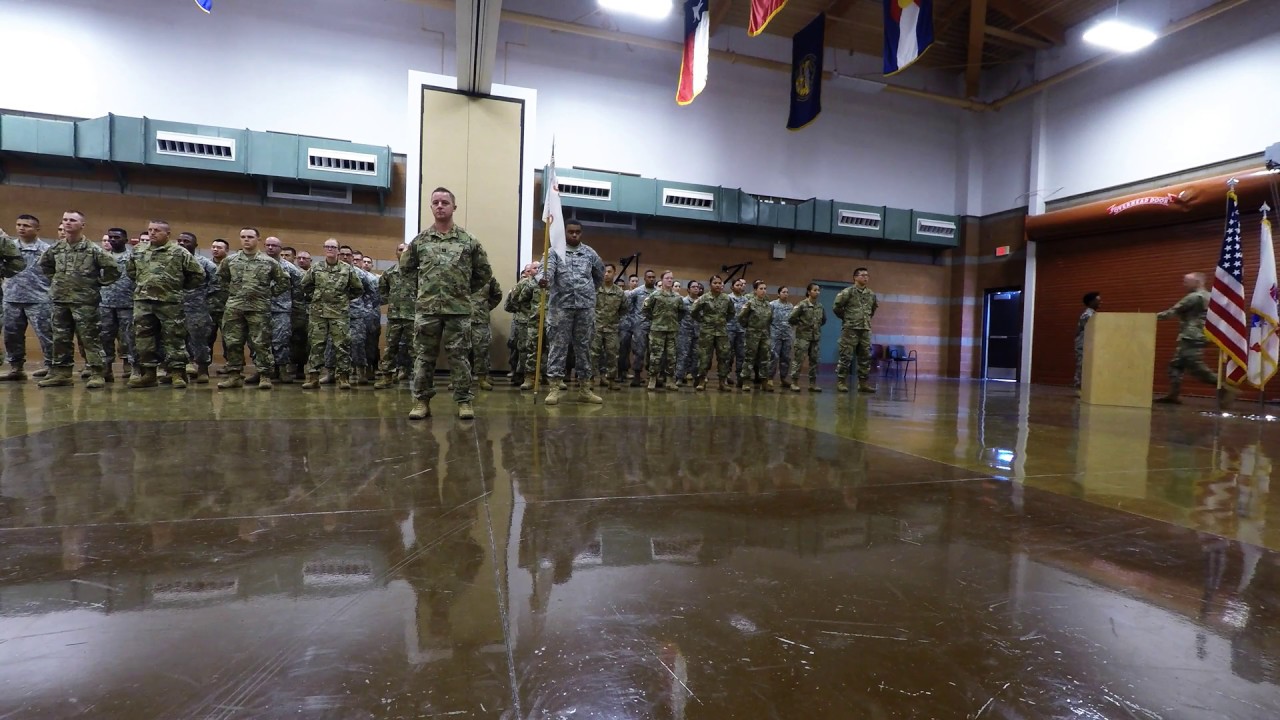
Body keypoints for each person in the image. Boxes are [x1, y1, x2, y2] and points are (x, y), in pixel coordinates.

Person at [398, 187, 493, 420]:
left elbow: (484, 272)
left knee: (460, 357)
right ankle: (421, 401)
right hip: (427, 310)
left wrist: (462, 291)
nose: (440, 206)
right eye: (436, 202)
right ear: (431, 207)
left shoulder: (468, 241)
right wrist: (423, 291)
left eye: (445, 202)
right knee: (423, 357)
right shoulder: (420, 241)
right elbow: (406, 270)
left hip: (458, 310)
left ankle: (464, 401)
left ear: (454, 207)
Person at [36, 211, 120, 388]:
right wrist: (57, 280)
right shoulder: (57, 248)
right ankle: (63, 373)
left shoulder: (93, 249)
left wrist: (97, 283)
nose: (68, 223)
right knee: (60, 338)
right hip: (60, 300)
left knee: (90, 338)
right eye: (65, 220)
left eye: (72, 220)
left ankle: (97, 372)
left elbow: (113, 269)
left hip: (85, 302)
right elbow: (45, 264)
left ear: (82, 225)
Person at [126, 220, 205, 388]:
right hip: (143, 302)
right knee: (143, 339)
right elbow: (131, 272)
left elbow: (198, 274)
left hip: (170, 302)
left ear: (167, 234)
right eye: (150, 230)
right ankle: (148, 374)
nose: (152, 233)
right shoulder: (138, 250)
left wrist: (177, 287)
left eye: (157, 230)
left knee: (174, 338)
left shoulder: (179, 252)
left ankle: (177, 374)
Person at [540, 219, 605, 405]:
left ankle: (585, 389)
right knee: (558, 347)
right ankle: (554, 388)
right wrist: (543, 280)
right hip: (561, 307)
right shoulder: (554, 252)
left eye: (577, 232)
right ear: (565, 233)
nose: (574, 234)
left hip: (585, 308)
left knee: (584, 347)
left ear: (581, 233)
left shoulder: (589, 253)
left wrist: (587, 291)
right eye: (571, 232)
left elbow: (599, 275)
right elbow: (545, 272)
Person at [214, 227, 286, 389]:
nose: (246, 239)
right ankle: (234, 375)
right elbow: (221, 279)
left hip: (259, 308)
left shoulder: (269, 261)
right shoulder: (230, 261)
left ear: (258, 239)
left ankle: (265, 375)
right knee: (232, 342)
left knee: (261, 343)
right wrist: (234, 293)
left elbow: (283, 282)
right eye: (243, 236)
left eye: (250, 237)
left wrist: (267, 294)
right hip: (235, 307)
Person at [1155, 272, 1235, 405]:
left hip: (1191, 335)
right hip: (1201, 334)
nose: (1184, 284)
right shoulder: (1210, 296)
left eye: (1187, 281)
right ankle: (1173, 395)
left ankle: (1224, 388)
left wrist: (1149, 318)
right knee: (1176, 365)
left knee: (1195, 365)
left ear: (1197, 282)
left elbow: (1171, 312)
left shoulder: (1194, 297)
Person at [300, 239, 364, 390]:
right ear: (324, 249)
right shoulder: (316, 267)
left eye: (333, 247)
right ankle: (313, 378)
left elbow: (358, 289)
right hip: (318, 313)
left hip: (339, 313)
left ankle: (343, 378)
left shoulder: (347, 269)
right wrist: (317, 297)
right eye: (327, 246)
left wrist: (343, 299)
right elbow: (305, 285)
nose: (330, 249)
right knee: (316, 345)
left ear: (338, 251)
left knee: (342, 345)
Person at [1, 214, 54, 380]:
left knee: (46, 335)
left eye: (26, 225)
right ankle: (16, 368)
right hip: (12, 297)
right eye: (18, 225)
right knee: (11, 335)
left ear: (37, 229)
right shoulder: (8, 248)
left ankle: (52, 367)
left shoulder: (47, 250)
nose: (21, 228)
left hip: (39, 298)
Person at [261, 236, 304, 384]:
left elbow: (298, 291)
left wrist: (296, 312)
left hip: (282, 310)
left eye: (274, 245)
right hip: (260, 309)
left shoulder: (290, 268)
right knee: (260, 342)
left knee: (281, 341)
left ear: (280, 248)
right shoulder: (257, 264)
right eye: (268, 245)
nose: (270, 248)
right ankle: (263, 371)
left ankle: (282, 369)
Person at [177, 232, 219, 384]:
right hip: (174, 307)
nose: (182, 243)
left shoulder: (205, 264)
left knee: (200, 340)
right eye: (180, 241)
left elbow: (217, 283)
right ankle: (177, 371)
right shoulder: (171, 262)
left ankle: (202, 369)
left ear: (195, 245)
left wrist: (204, 298)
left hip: (198, 308)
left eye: (186, 241)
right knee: (175, 340)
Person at [375, 243, 416, 389]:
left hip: (413, 317)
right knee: (390, 348)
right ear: (396, 253)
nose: (403, 252)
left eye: (406, 250)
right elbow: (382, 292)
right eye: (400, 250)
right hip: (395, 316)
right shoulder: (389, 273)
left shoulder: (418, 272)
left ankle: (420, 379)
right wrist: (393, 302)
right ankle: (387, 377)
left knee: (416, 349)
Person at [98, 228, 136, 382]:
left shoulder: (133, 257)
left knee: (130, 338)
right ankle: (106, 368)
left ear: (125, 240)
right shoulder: (102, 257)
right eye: (111, 237)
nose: (113, 240)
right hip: (105, 304)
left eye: (117, 237)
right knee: (105, 337)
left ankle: (133, 368)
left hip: (128, 304)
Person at [833, 267, 878, 393]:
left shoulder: (871, 294)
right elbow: (836, 307)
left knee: (865, 357)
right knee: (846, 356)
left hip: (865, 329)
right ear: (855, 277)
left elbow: (872, 310)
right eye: (863, 275)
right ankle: (841, 382)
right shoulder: (847, 292)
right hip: (850, 329)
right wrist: (847, 318)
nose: (865, 277)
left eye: (867, 275)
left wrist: (865, 320)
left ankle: (863, 383)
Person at [641, 270, 685, 391]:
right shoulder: (655, 295)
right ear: (662, 280)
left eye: (671, 278)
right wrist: (655, 319)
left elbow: (682, 312)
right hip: (657, 330)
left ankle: (670, 380)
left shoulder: (677, 297)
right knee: (656, 356)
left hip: (672, 330)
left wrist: (674, 321)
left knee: (671, 356)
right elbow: (645, 309)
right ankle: (652, 378)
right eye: (667, 278)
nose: (670, 280)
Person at [691, 274, 733, 392]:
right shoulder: (704, 298)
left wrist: (722, 321)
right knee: (704, 357)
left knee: (723, 357)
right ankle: (701, 381)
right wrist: (702, 320)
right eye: (715, 283)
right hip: (707, 331)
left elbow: (731, 313)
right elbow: (694, 311)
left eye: (719, 283)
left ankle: (722, 382)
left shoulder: (726, 298)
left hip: (722, 332)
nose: (717, 285)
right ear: (710, 285)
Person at [504, 262, 542, 391]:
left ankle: (540, 375)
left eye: (539, 268)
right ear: (528, 271)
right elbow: (513, 300)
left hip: (540, 321)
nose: (537, 270)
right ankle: (521, 374)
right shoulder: (523, 284)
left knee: (541, 349)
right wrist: (523, 311)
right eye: (534, 268)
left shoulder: (544, 284)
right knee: (524, 349)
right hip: (525, 321)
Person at [592, 263, 626, 391]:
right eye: (604, 271)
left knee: (612, 355)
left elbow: (624, 309)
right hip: (596, 327)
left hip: (612, 328)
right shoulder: (595, 289)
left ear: (614, 273)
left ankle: (611, 380)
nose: (606, 274)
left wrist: (613, 320)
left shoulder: (619, 292)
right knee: (593, 355)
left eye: (609, 271)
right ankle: (590, 380)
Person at [788, 283, 826, 392]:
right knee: (798, 360)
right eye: (815, 290)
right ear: (809, 292)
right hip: (803, 338)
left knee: (814, 361)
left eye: (818, 290)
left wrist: (815, 327)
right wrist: (802, 325)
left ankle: (812, 384)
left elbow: (823, 320)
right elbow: (791, 318)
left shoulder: (820, 306)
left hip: (815, 338)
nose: (817, 292)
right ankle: (794, 382)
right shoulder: (802, 305)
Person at [737, 280, 773, 392]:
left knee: (765, 358)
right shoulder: (750, 303)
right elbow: (741, 317)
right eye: (761, 289)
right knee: (749, 358)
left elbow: (770, 319)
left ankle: (764, 382)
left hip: (764, 334)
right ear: (755, 290)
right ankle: (745, 381)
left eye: (765, 289)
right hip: (752, 334)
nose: (763, 291)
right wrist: (748, 326)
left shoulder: (768, 304)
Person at [468, 275, 503, 391]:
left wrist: (485, 307)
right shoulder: (459, 273)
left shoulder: (488, 277)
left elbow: (497, 294)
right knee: (459, 350)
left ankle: (482, 379)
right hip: (460, 318)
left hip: (480, 320)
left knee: (481, 350)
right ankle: (459, 380)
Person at [280, 245, 309, 379]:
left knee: (299, 340)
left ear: (294, 257)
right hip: (280, 310)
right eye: (282, 255)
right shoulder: (276, 270)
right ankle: (280, 368)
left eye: (287, 255)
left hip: (298, 311)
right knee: (281, 339)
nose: (284, 258)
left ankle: (299, 368)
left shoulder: (301, 274)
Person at [625, 269, 658, 386]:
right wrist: (633, 321)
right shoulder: (637, 291)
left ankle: (653, 376)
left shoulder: (658, 292)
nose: (651, 279)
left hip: (654, 326)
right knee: (639, 351)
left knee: (654, 352)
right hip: (640, 326)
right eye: (649, 277)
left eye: (653, 277)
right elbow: (628, 307)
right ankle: (637, 376)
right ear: (644, 279)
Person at [675, 280, 703, 386]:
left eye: (698, 287)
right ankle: (679, 377)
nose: (696, 288)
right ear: (688, 289)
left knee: (696, 356)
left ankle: (695, 377)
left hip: (698, 332)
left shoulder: (702, 302)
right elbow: (678, 316)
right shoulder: (683, 301)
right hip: (684, 332)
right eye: (693, 287)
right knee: (683, 355)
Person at [208, 238, 231, 371]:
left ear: (226, 250)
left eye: (219, 247)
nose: (215, 249)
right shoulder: (206, 265)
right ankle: (203, 366)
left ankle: (231, 365)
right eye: (213, 247)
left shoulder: (232, 265)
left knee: (229, 340)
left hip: (227, 308)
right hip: (209, 308)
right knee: (207, 338)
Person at [768, 285, 794, 391]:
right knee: (773, 356)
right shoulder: (772, 305)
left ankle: (783, 378)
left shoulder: (790, 306)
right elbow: (768, 319)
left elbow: (792, 320)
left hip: (787, 335)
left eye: (787, 292)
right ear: (778, 294)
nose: (786, 294)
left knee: (786, 358)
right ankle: (770, 378)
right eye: (783, 292)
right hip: (775, 334)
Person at [1074, 291, 1101, 389]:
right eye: (1098, 300)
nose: (1100, 302)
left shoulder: (1094, 314)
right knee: (1082, 367)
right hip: (1083, 345)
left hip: (1089, 345)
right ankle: (1079, 388)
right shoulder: (1087, 315)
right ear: (1091, 302)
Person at [726, 277, 750, 385]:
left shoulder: (746, 300)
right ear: (732, 287)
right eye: (737, 285)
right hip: (729, 329)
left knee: (741, 354)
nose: (740, 287)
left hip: (741, 330)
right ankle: (726, 375)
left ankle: (740, 377)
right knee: (728, 354)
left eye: (741, 285)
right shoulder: (727, 298)